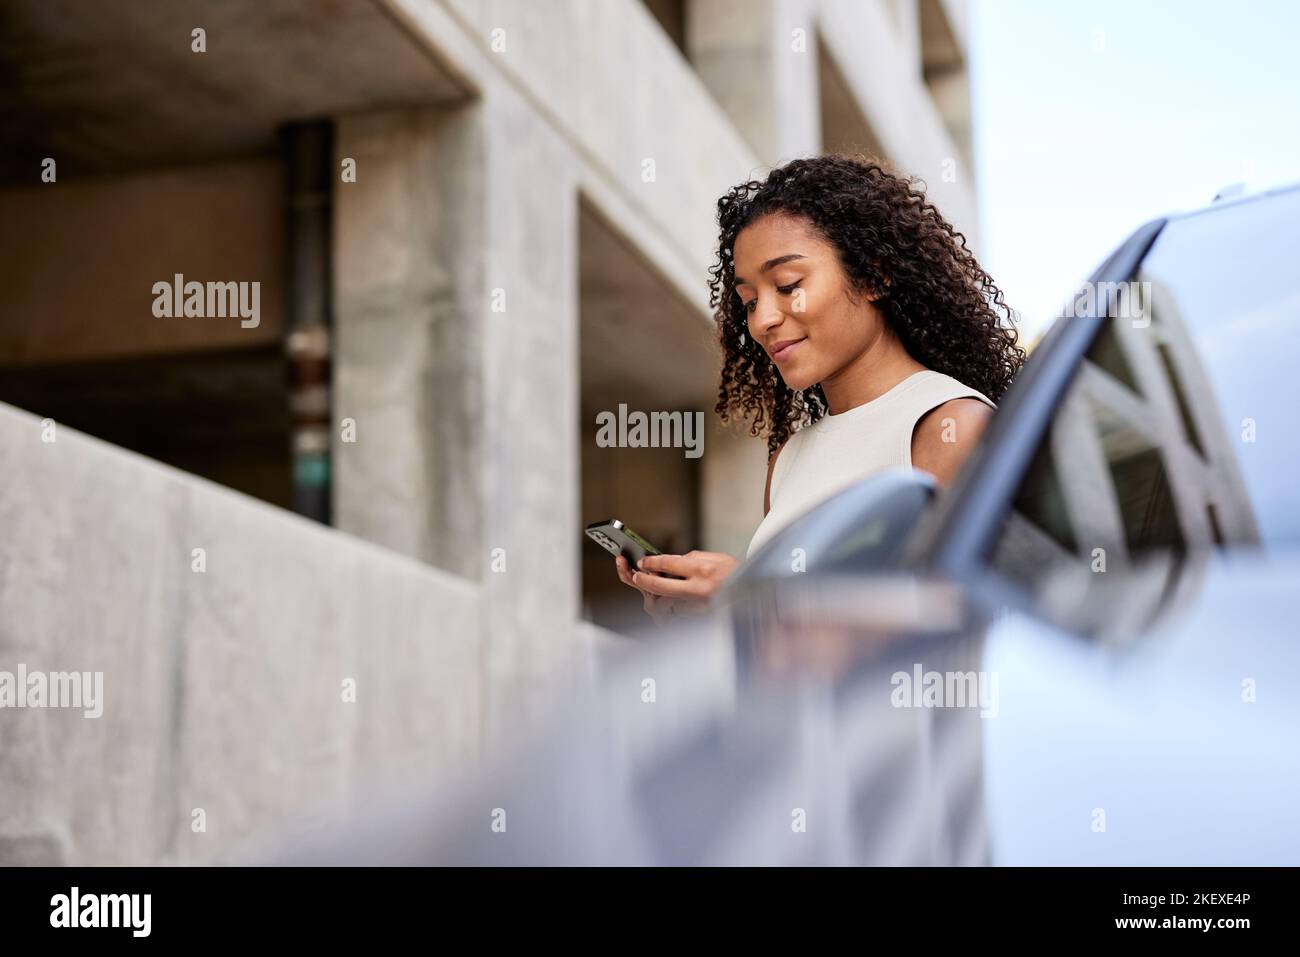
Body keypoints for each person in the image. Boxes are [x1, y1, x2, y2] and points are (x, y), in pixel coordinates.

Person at [615, 154, 1025, 623]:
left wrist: (753, 592)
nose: (763, 320)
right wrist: (708, 615)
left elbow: (968, 622)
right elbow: (792, 646)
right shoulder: (788, 459)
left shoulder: (950, 425)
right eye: (749, 301)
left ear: (873, 275)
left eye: (788, 285)